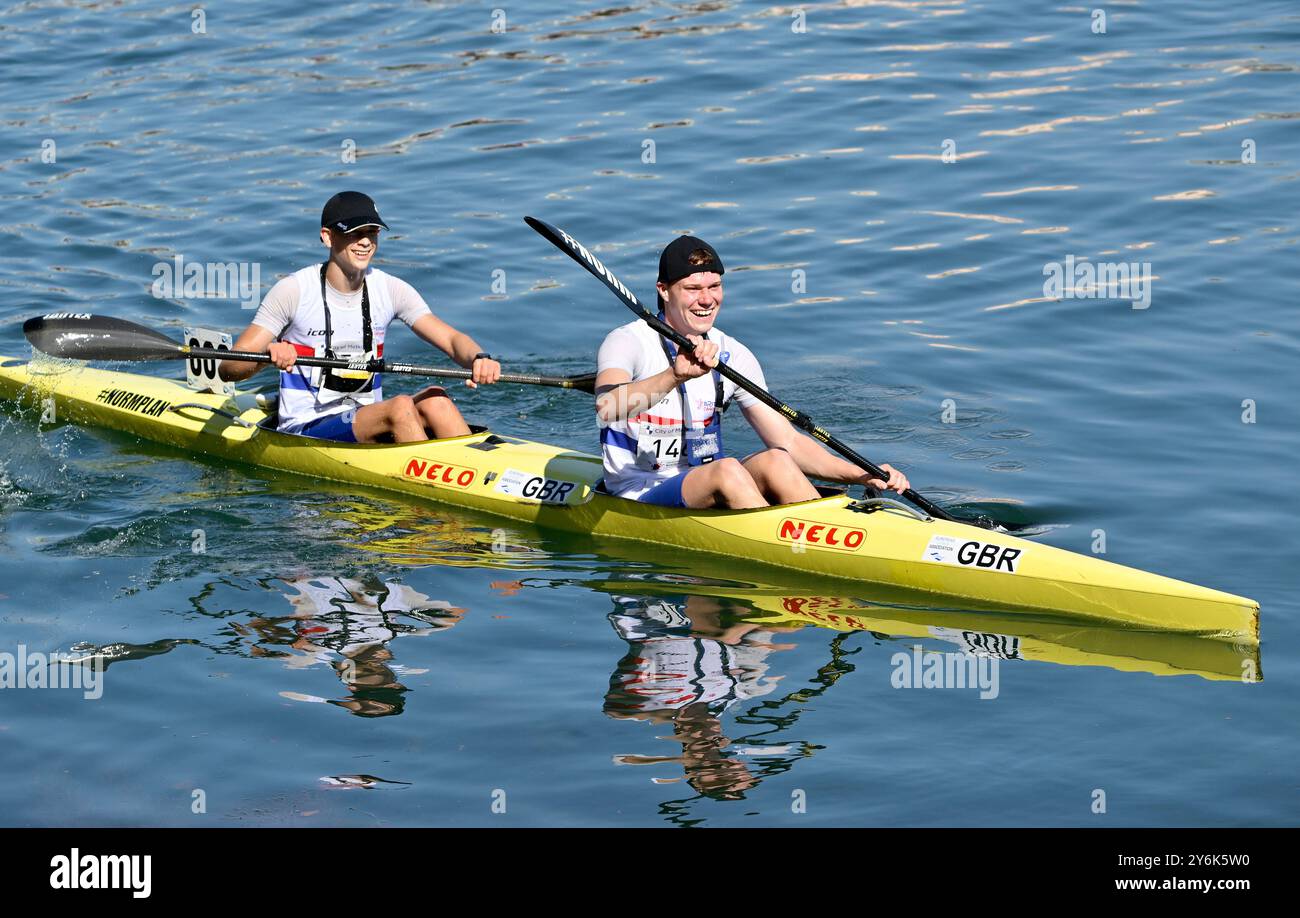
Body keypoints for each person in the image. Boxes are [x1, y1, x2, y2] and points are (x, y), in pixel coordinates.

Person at [594, 234, 910, 509]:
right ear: (664, 290)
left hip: (711, 485)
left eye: (715, 286)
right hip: (638, 493)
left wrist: (860, 473)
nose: (707, 299)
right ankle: (787, 550)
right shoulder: (627, 341)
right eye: (693, 288)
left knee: (777, 459)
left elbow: (790, 441)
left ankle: (829, 535)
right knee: (727, 469)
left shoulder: (734, 353)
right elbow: (606, 408)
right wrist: (674, 375)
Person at [219, 191, 501, 443]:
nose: (365, 242)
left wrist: (479, 358)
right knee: (401, 407)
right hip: (306, 427)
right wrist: (266, 355)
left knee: (437, 399)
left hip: (365, 416)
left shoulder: (390, 289)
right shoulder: (293, 291)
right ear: (327, 236)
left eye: (372, 233)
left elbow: (452, 340)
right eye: (354, 233)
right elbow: (229, 366)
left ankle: (477, 471)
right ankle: (437, 489)